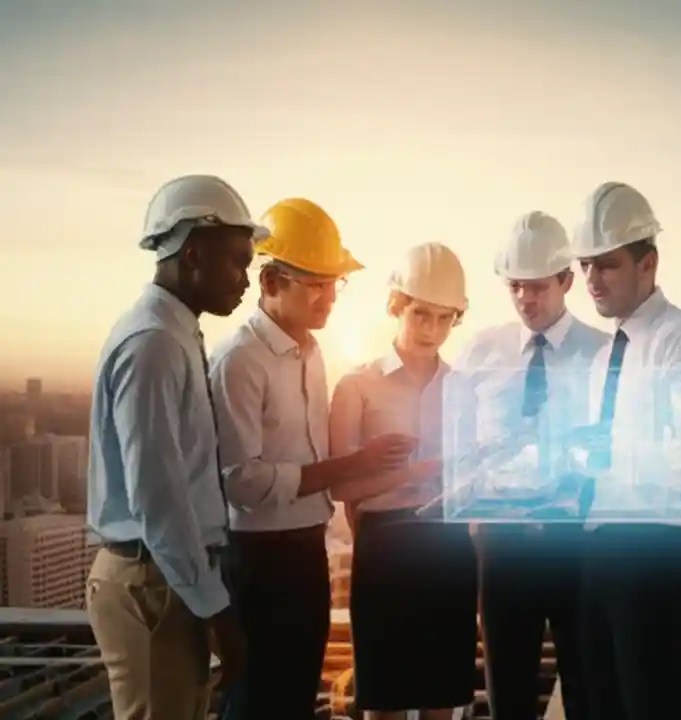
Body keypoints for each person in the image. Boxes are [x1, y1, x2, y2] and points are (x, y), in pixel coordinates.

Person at [208, 198, 420, 719]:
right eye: (315, 284)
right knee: (259, 699)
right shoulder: (240, 361)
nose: (328, 298)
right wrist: (351, 465)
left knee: (296, 695)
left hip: (305, 548)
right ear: (272, 282)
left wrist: (373, 460)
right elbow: (241, 480)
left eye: (333, 283)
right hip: (256, 557)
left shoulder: (311, 352)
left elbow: (315, 455)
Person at [85, 174, 261, 718]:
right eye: (237, 262)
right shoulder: (155, 345)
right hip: (153, 585)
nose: (245, 281)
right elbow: (157, 498)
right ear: (194, 255)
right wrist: (218, 612)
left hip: (165, 579)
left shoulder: (174, 333)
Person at [570, 182, 681, 720]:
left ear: (649, 263)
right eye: (586, 265)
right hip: (599, 553)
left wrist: (611, 457)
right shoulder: (603, 359)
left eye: (607, 265)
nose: (592, 280)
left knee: (650, 707)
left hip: (656, 556)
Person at [454, 212, 607, 720]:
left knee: (587, 687)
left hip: (577, 546)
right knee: (508, 692)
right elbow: (458, 443)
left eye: (538, 287)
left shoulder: (602, 354)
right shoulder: (480, 350)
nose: (526, 299)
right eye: (516, 287)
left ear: (566, 281)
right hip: (502, 547)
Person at [329, 241, 477, 720]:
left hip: (450, 547)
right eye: (420, 314)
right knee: (383, 703)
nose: (432, 329)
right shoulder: (357, 386)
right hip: (384, 549)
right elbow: (338, 488)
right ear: (396, 305)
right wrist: (413, 473)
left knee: (442, 701)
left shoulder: (464, 388)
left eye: (444, 318)